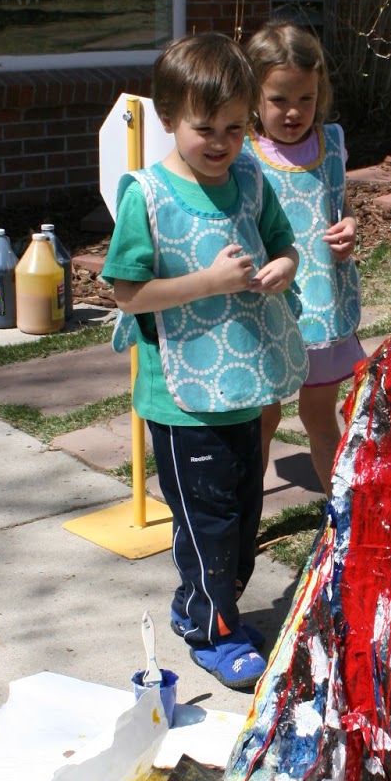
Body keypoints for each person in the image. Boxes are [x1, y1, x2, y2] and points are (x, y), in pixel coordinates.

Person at [101, 33, 305, 692]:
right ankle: (212, 631)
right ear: (166, 118)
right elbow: (127, 293)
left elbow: (282, 244)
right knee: (209, 526)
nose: (220, 143)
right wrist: (210, 282)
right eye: (202, 128)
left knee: (243, 520)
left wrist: (282, 266)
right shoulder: (148, 196)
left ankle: (209, 609)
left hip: (242, 385)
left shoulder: (249, 177)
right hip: (182, 398)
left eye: (233, 127)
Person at [242, 22, 364, 492]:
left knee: (320, 418)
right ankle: (245, 518)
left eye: (305, 99)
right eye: (278, 100)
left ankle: (340, 516)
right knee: (263, 419)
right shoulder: (243, 153)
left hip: (322, 304)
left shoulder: (331, 143)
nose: (294, 112)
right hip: (268, 307)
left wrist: (350, 224)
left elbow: (340, 201)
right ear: (253, 96)